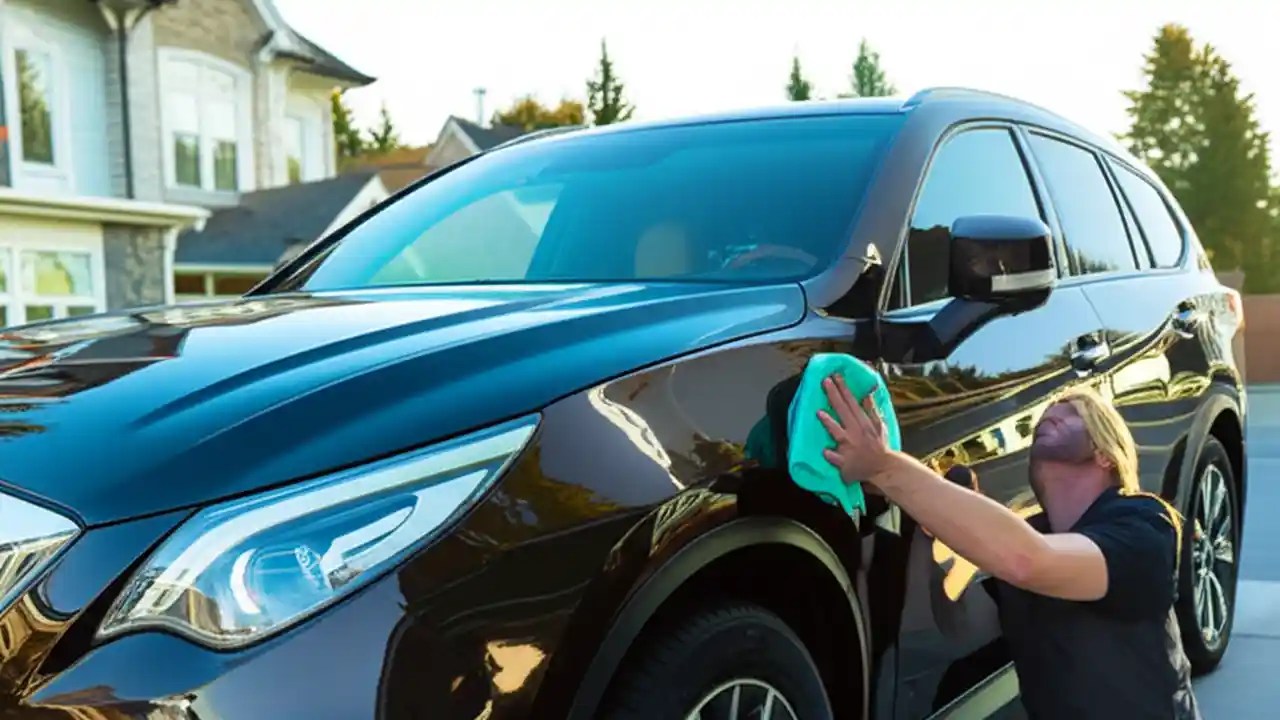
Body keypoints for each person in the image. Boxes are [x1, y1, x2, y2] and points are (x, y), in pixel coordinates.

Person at [817, 376, 1201, 720]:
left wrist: (885, 467)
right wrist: (927, 524)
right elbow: (957, 625)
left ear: (1105, 453)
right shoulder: (1033, 533)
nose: (1051, 413)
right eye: (1047, 412)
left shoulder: (1143, 525)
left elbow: (1028, 561)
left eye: (1072, 413)